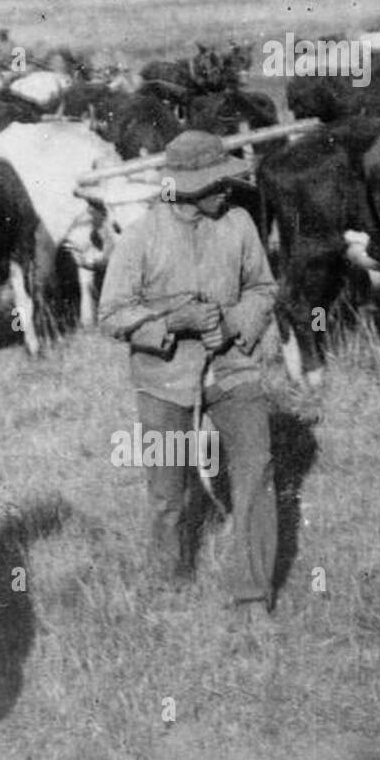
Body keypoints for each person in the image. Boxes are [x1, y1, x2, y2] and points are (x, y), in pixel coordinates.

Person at [98, 131, 278, 612]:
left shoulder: (239, 223)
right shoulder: (140, 237)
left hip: (233, 370)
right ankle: (167, 582)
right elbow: (111, 315)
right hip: (165, 379)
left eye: (227, 180)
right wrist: (172, 323)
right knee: (167, 491)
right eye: (216, 182)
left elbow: (263, 288)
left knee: (256, 471)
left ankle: (253, 595)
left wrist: (235, 325)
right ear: (182, 186)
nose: (228, 189)